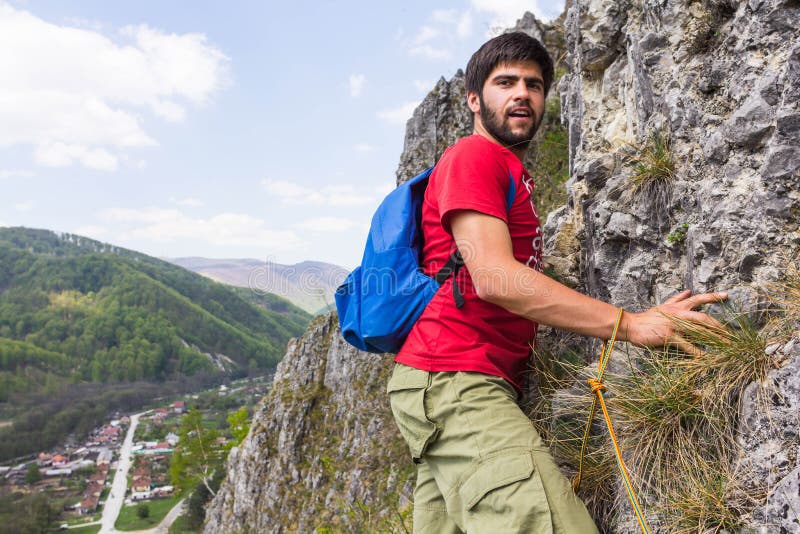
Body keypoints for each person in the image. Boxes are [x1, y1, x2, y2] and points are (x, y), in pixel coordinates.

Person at [387, 31, 726, 533]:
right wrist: (631, 325)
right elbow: (496, 278)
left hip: (446, 386)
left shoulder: (509, 173)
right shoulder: (473, 158)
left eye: (534, 84)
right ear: (474, 100)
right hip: (457, 380)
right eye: (506, 82)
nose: (522, 92)